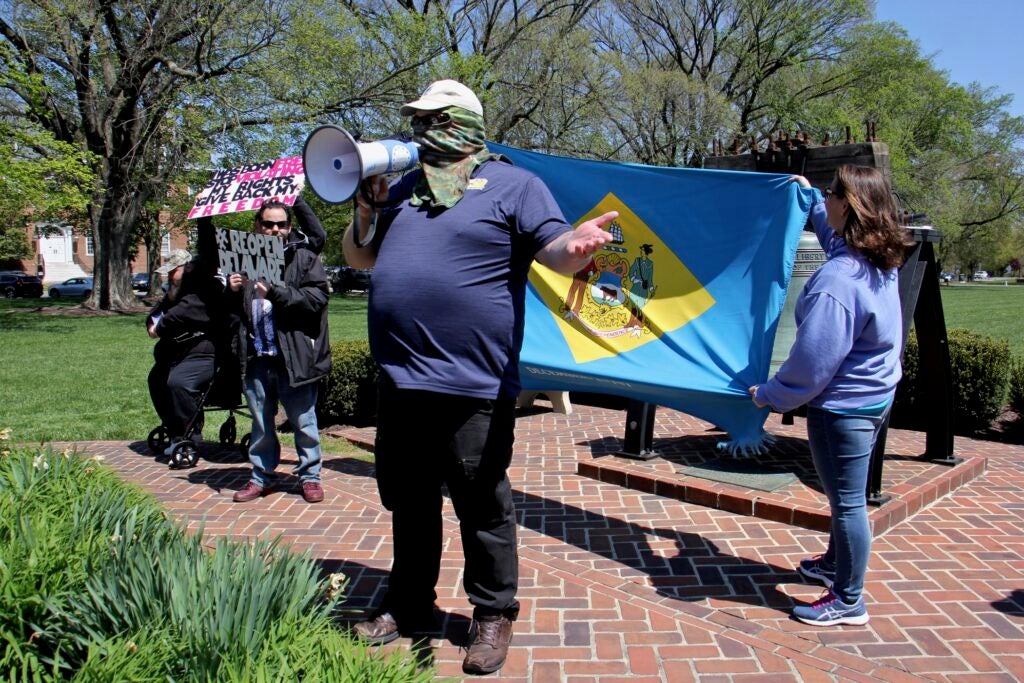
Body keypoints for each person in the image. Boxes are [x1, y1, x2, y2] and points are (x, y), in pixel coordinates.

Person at [344, 79, 617, 675]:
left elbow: (554, 249)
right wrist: (366, 209)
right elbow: (359, 258)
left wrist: (578, 246)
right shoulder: (405, 190)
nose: (422, 131)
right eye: (417, 120)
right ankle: (409, 604)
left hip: (474, 385)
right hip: (402, 379)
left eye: (435, 119)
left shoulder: (516, 185)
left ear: (465, 122)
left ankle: (493, 613)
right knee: (410, 502)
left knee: (482, 504)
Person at [749, 166, 912, 627]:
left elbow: (812, 363)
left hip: (843, 410)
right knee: (847, 497)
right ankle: (834, 566)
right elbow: (831, 233)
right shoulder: (876, 258)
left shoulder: (838, 280)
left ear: (849, 205)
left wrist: (770, 395)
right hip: (875, 397)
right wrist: (810, 198)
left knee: (847, 504)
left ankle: (848, 599)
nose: (828, 198)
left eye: (832, 193)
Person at [224, 199, 331, 504]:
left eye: (281, 224)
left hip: (293, 356)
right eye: (268, 224)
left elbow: (316, 299)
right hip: (257, 356)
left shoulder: (303, 257)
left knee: (304, 422)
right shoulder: (242, 258)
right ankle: (261, 476)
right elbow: (231, 314)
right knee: (260, 423)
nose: (275, 230)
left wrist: (275, 292)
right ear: (257, 226)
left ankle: (310, 477)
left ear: (289, 227)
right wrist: (231, 291)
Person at [146, 248, 224, 456]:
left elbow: (180, 314)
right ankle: (174, 430)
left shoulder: (205, 288)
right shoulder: (174, 291)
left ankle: (190, 436)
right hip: (177, 352)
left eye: (173, 271)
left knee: (178, 383)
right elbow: (157, 312)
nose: (169, 276)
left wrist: (159, 328)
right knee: (156, 380)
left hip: (204, 351)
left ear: (187, 268)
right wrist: (152, 323)